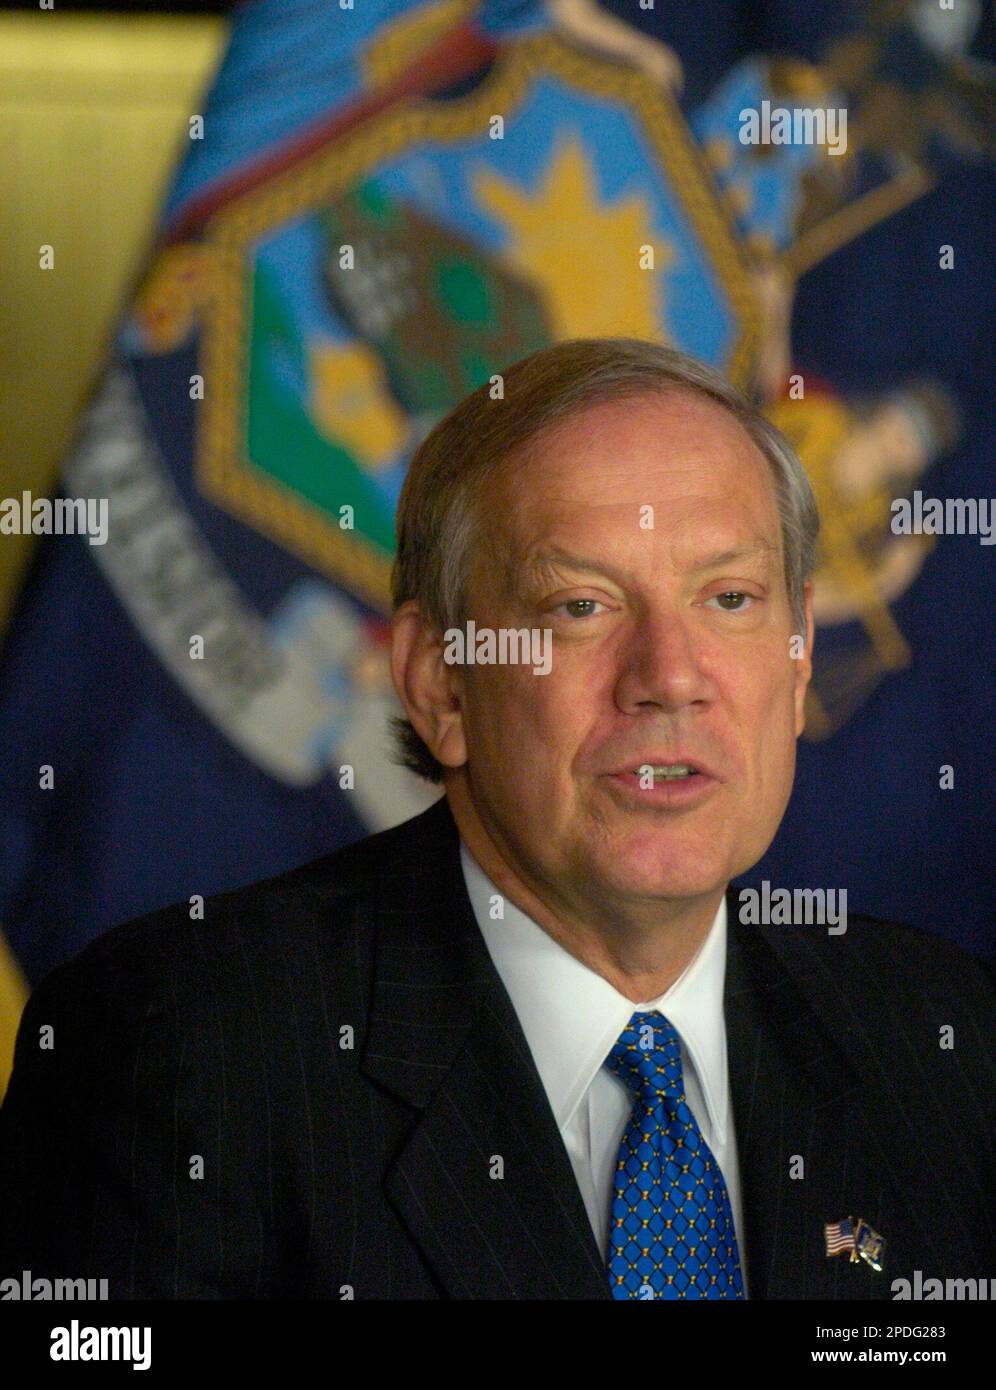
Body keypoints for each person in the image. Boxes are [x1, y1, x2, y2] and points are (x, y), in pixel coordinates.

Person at [1, 338, 992, 1300]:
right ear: (440, 685)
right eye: (581, 607)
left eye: (729, 598)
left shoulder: (948, 1046)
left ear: (800, 651)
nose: (670, 679)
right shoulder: (185, 1063)